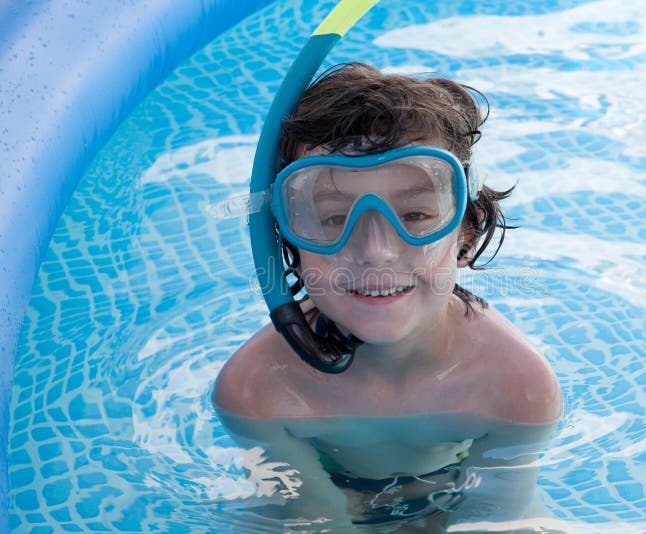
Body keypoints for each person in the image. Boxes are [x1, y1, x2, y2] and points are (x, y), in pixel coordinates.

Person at [214, 62, 562, 529]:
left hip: (453, 496)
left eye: (415, 215)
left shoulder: (516, 386)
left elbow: (494, 514)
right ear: (288, 243)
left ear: (466, 229)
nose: (376, 251)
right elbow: (316, 521)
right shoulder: (258, 389)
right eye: (334, 219)